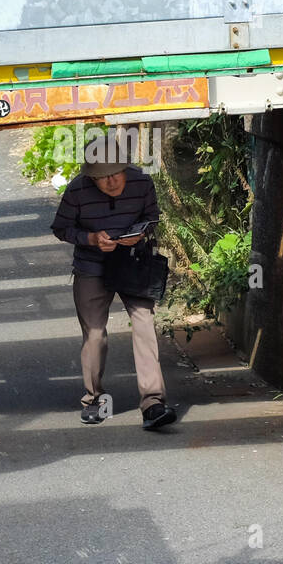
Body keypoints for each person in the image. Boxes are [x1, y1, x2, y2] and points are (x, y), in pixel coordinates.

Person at [51, 153, 177, 431]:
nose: (111, 181)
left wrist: (139, 234)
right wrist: (91, 239)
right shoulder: (76, 190)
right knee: (94, 334)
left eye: (116, 174)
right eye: (102, 177)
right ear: (91, 178)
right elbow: (60, 228)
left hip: (133, 261)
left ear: (125, 168)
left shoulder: (142, 182)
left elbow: (152, 217)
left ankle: (153, 402)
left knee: (144, 321)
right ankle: (94, 399)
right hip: (91, 265)